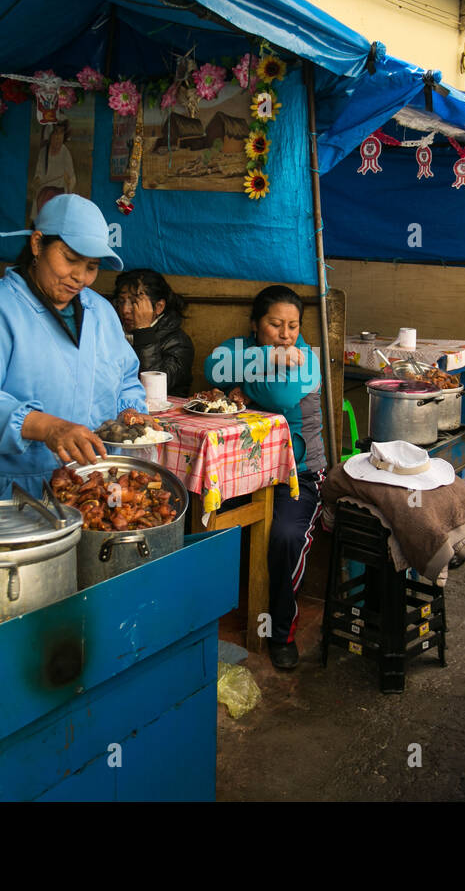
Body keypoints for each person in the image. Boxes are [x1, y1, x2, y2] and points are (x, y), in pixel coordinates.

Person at [0, 194, 149, 503]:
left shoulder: (100, 312)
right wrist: (46, 427)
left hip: (89, 482)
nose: (80, 277)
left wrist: (129, 410)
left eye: (92, 266)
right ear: (37, 244)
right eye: (70, 259)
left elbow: (126, 378)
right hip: (7, 487)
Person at [205, 285, 324, 670]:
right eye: (276, 325)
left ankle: (281, 631)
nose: (286, 334)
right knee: (202, 509)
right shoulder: (243, 347)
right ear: (255, 325)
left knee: (285, 535)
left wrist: (244, 384)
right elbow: (213, 367)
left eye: (293, 326)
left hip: (299, 474)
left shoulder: (306, 357)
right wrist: (267, 359)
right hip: (247, 471)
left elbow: (283, 397)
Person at [113, 269, 195, 397]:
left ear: (158, 307)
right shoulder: (114, 331)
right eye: (122, 301)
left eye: (134, 302)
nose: (125, 310)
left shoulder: (178, 342)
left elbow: (153, 389)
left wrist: (144, 331)